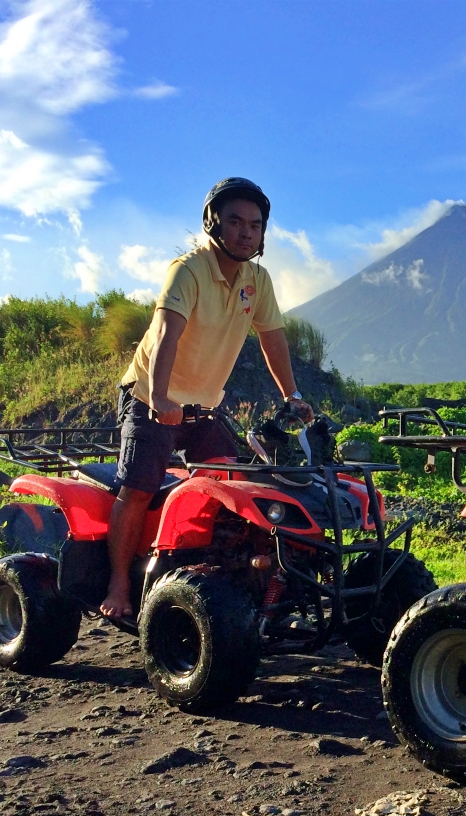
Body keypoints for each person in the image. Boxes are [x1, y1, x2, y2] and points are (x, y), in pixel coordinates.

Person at [99, 178, 313, 619]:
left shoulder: (258, 280)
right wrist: (160, 398)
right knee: (137, 489)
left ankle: (223, 575)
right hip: (150, 396)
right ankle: (118, 584)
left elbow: (273, 339)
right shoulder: (189, 269)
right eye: (235, 222)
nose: (246, 232)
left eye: (255, 225)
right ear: (213, 224)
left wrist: (291, 394)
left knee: (231, 487)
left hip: (204, 408)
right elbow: (166, 333)